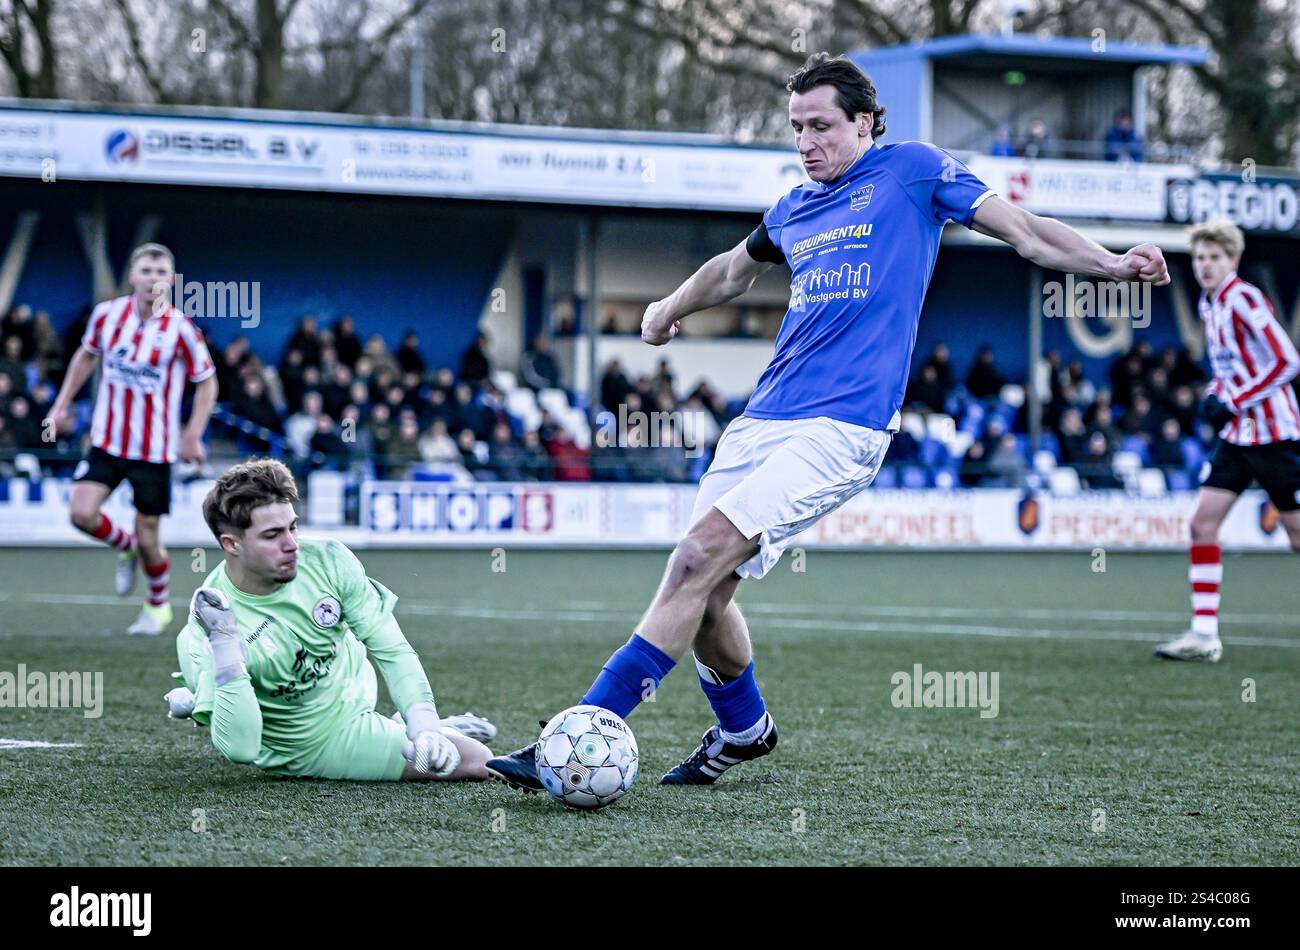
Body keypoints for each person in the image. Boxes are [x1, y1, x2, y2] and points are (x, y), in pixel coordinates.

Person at [486, 51, 1170, 792]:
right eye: (796, 128)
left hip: (841, 428)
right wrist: (666, 308)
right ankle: (745, 731)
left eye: (821, 126)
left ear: (865, 124)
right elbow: (732, 269)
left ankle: (580, 730)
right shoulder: (794, 208)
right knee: (709, 590)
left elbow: (1026, 231)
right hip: (760, 421)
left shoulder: (913, 171)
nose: (806, 141)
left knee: (693, 559)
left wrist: (1111, 264)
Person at [169, 458, 495, 781]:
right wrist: (226, 648)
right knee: (477, 760)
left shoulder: (327, 559)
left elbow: (391, 647)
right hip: (319, 742)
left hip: (355, 683)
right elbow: (241, 749)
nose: (292, 545)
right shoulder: (212, 624)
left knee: (431, 735)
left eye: (293, 527)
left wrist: (425, 724)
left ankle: (406, 725)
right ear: (231, 544)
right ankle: (207, 695)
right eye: (272, 535)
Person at [45, 243, 218, 636]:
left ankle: (157, 607)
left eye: (161, 272)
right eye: (146, 270)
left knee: (149, 534)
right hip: (106, 440)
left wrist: (192, 434)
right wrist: (61, 404)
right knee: (81, 514)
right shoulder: (107, 315)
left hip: (154, 450)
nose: (153, 279)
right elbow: (86, 356)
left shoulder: (182, 330)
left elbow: (207, 382)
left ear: (171, 281)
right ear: (133, 276)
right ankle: (124, 546)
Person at [1155, 219, 1300, 663]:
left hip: (1275, 436)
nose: (1205, 265)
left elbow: (1286, 360)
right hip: (1239, 437)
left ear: (1232, 260)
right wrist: (1217, 395)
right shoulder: (1209, 304)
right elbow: (1227, 369)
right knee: (1202, 524)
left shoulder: (1243, 299)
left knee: (1297, 538)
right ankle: (1204, 635)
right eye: (1199, 258)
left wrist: (1234, 398)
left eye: (1214, 257)